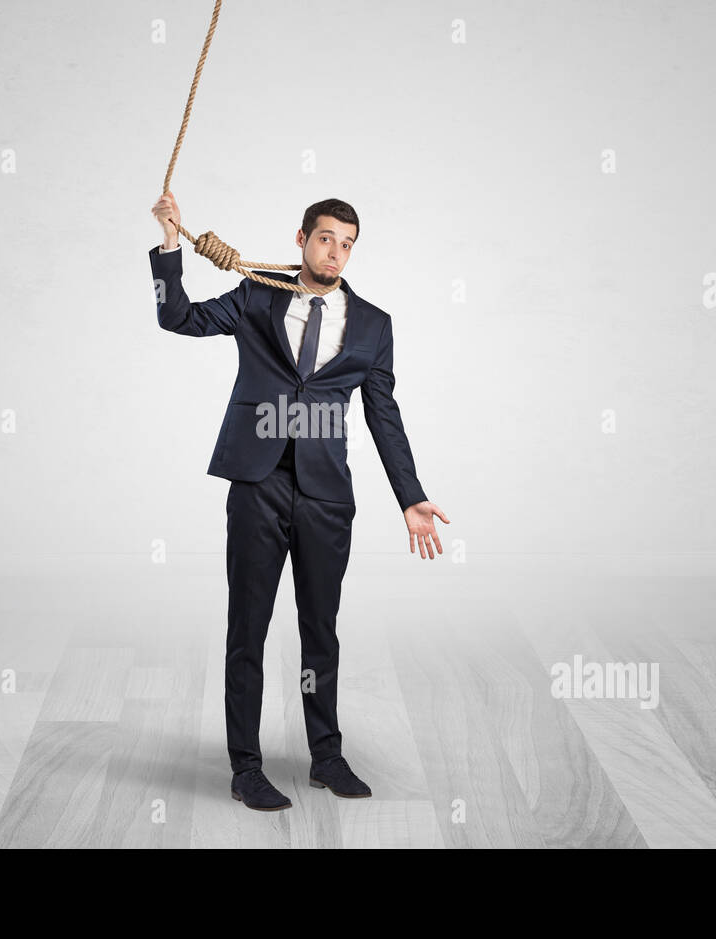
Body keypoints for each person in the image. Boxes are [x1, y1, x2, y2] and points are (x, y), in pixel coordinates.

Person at [148, 191, 449, 811]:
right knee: (247, 629)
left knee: (320, 630)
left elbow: (383, 417)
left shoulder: (373, 325)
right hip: (257, 484)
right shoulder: (257, 296)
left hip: (325, 496)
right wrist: (172, 245)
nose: (335, 251)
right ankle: (246, 765)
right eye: (325, 238)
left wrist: (410, 498)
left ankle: (327, 756)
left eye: (347, 243)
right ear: (301, 239)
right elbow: (176, 317)